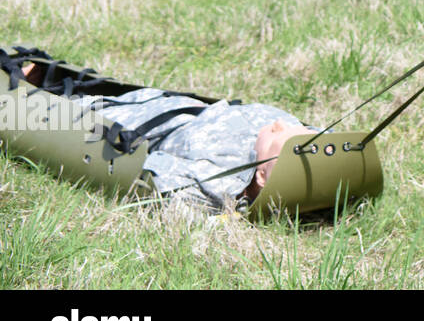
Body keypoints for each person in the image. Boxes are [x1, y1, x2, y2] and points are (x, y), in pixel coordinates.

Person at [11, 56, 306, 211]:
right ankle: (56, 84)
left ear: (263, 176)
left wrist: (233, 206)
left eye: (278, 133)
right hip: (168, 106)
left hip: (144, 122)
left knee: (93, 111)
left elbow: (162, 181)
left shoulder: (219, 176)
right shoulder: (290, 135)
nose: (280, 124)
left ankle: (38, 93)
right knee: (124, 97)